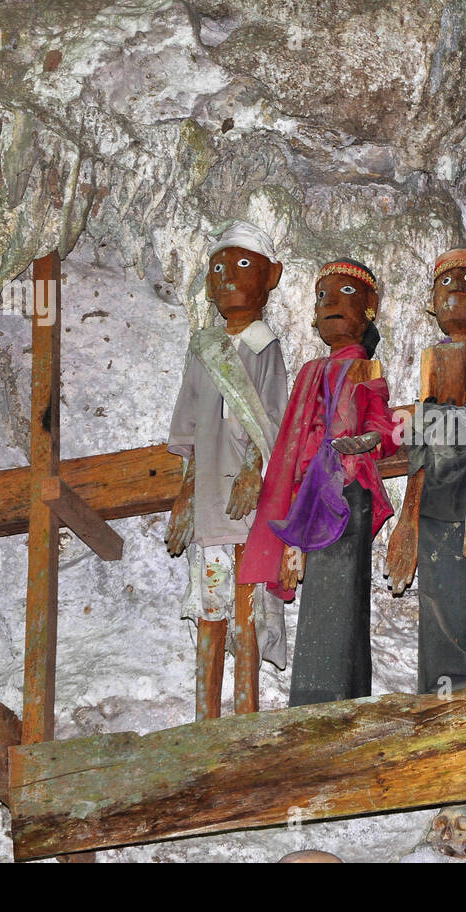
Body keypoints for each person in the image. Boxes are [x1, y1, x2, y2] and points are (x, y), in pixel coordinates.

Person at [237, 258, 399, 705]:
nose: (330, 303)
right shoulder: (311, 371)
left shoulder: (367, 368)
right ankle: (318, 697)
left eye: (345, 294)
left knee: (342, 592)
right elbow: (297, 444)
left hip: (349, 490)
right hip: (314, 493)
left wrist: (370, 440)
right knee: (322, 599)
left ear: (369, 308)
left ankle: (337, 696)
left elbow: (384, 425)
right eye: (323, 295)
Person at [166, 221, 289, 718]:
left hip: (248, 506)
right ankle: (205, 723)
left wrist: (254, 471)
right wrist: (185, 497)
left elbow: (273, 421)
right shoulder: (204, 348)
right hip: (210, 508)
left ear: (271, 276)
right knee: (209, 611)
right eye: (217, 268)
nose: (226, 277)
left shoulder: (265, 346)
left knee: (246, 612)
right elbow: (193, 430)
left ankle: (244, 718)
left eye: (241, 266)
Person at [387, 247, 466, 695]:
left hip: (465, 495)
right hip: (432, 497)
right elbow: (421, 441)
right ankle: (434, 694)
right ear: (431, 302)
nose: (455, 288)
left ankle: (464, 693)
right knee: (433, 603)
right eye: (446, 281)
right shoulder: (430, 360)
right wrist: (407, 518)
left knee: (461, 604)